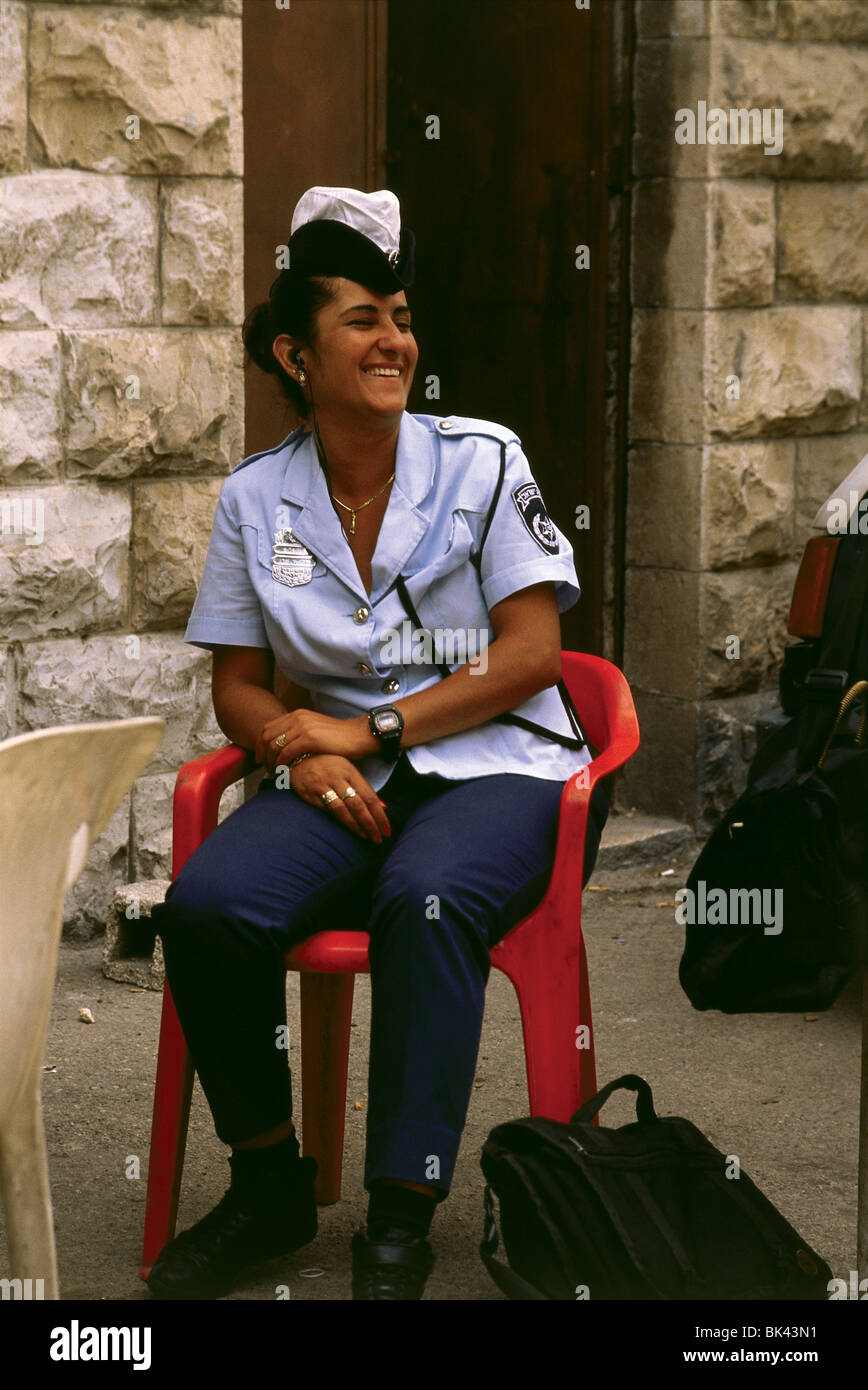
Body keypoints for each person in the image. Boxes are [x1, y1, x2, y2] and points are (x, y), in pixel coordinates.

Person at [147, 186, 609, 1301]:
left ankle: (401, 1216)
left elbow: (531, 656)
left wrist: (362, 728)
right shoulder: (258, 499)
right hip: (341, 783)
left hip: (503, 767)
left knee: (429, 896)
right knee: (206, 908)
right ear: (296, 354)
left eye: (400, 315)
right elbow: (240, 685)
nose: (394, 339)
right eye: (363, 319)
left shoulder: (482, 459)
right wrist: (296, 753)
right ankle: (267, 1183)